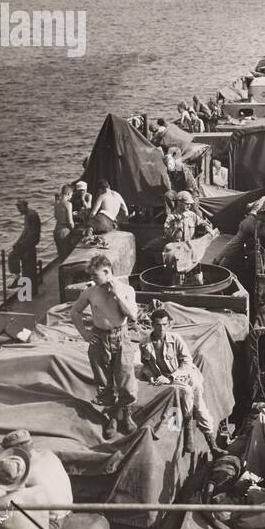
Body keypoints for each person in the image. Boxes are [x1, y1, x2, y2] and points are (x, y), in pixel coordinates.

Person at [68, 255, 139, 439]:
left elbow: (133, 315)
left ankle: (127, 414)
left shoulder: (126, 289)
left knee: (126, 380)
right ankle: (113, 417)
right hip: (99, 338)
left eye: (95, 275)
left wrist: (116, 294)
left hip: (121, 337)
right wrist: (85, 334)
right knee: (103, 381)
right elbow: (74, 311)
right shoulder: (91, 292)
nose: (92, 279)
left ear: (107, 272)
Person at [0, 429, 75, 529]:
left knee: (3, 526)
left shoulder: (25, 472)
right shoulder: (48, 454)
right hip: (68, 512)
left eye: (8, 452)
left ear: (17, 451)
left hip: (53, 524)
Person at [139, 308, 218, 454]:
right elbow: (145, 365)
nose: (161, 328)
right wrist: (150, 376)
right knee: (170, 405)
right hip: (164, 380)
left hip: (186, 377)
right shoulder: (145, 344)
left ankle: (211, 444)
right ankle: (171, 436)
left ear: (168, 324)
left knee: (199, 407)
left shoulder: (175, 339)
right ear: (152, 325)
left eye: (164, 324)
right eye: (157, 325)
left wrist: (170, 377)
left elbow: (187, 363)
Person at [7, 199, 41, 291]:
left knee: (12, 256)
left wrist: (21, 244)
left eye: (20, 207)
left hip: (30, 243)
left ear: (25, 206)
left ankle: (18, 279)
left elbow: (32, 233)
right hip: (27, 242)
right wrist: (17, 242)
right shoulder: (28, 214)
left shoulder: (32, 215)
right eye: (18, 208)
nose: (19, 210)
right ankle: (18, 278)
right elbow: (25, 231)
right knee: (13, 256)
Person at [53, 185, 75, 257]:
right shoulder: (68, 204)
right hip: (64, 232)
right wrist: (74, 230)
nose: (71, 197)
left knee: (60, 255)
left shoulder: (57, 203)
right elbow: (70, 222)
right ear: (68, 193)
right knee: (67, 256)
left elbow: (56, 216)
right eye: (71, 195)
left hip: (56, 230)